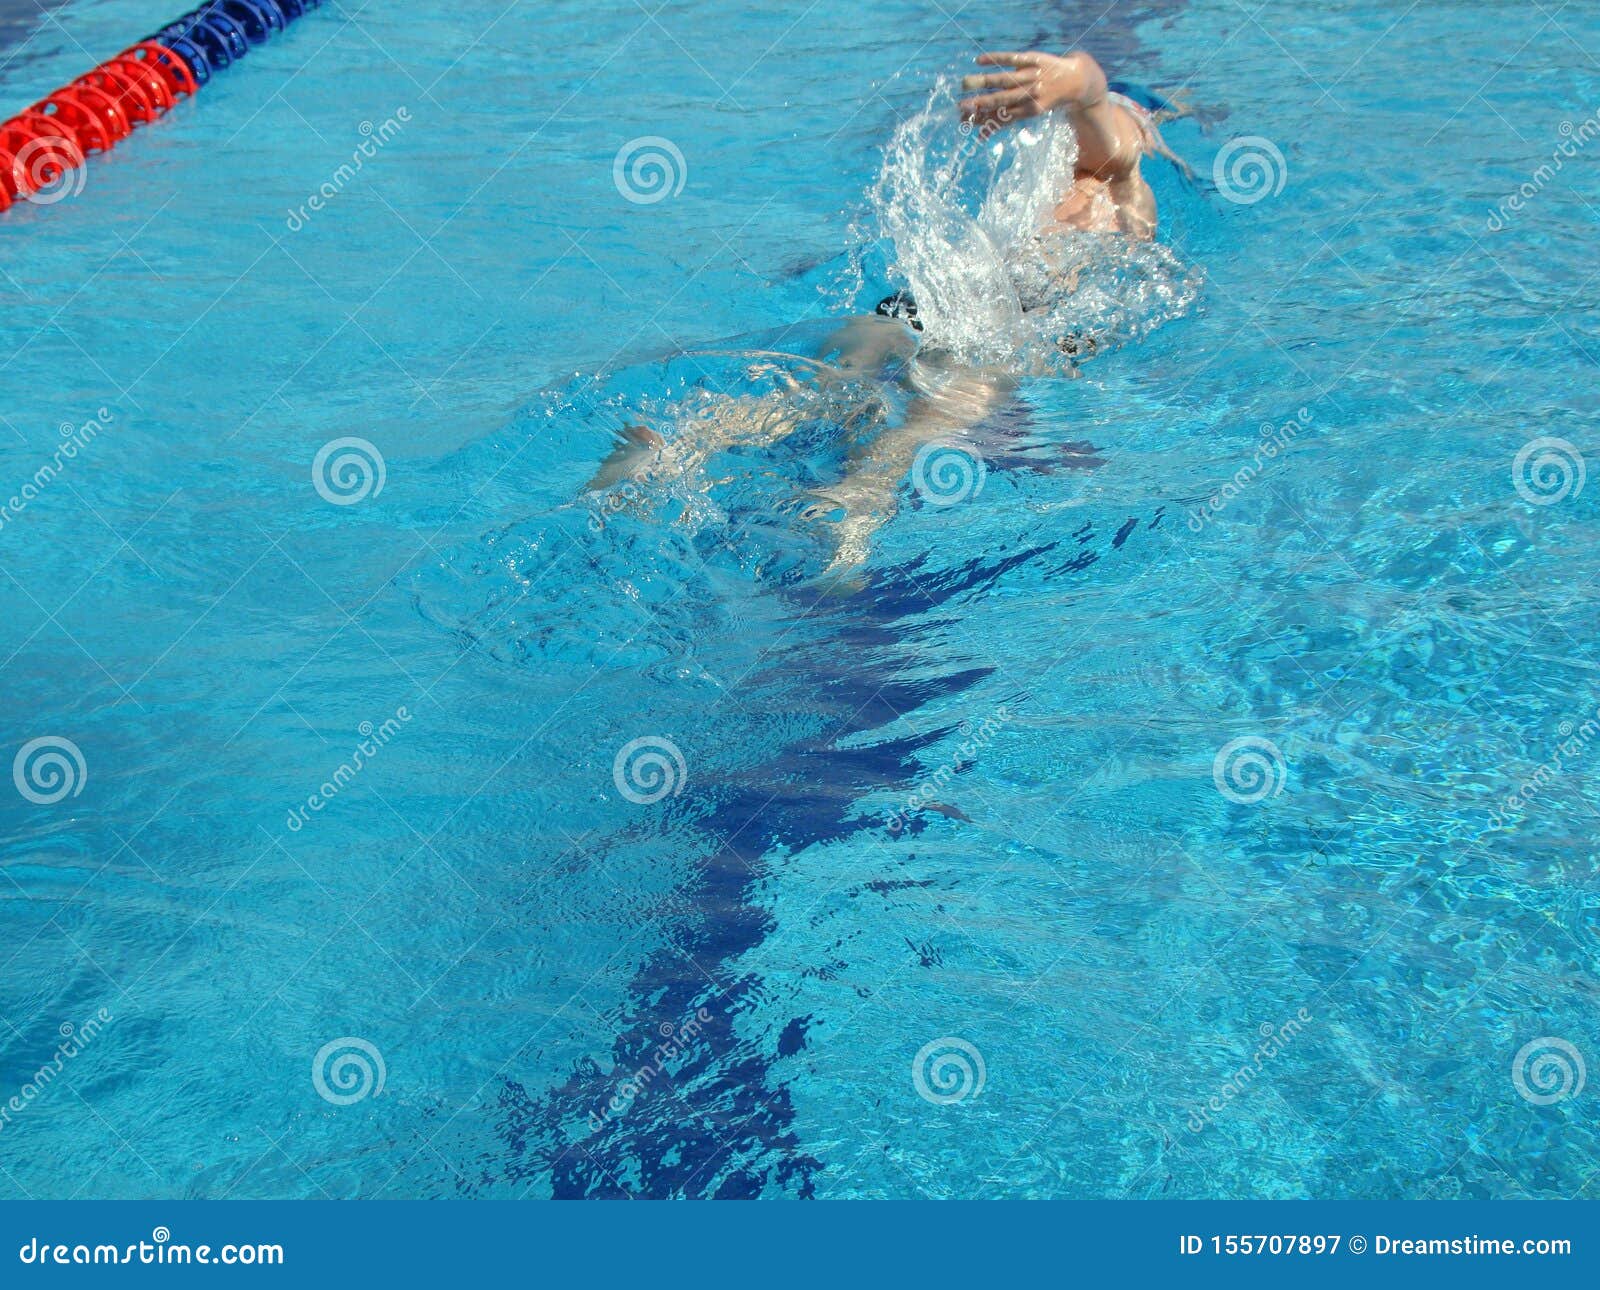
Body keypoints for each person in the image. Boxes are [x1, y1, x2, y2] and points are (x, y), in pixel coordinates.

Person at [587, 49, 1178, 580]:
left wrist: (1083, 87)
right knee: (927, 418)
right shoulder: (1125, 195)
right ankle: (853, 508)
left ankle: (681, 443)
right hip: (989, 323)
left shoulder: (1074, 187)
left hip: (927, 302)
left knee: (818, 393)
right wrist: (1086, 84)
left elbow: (1104, 126)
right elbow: (1114, 136)